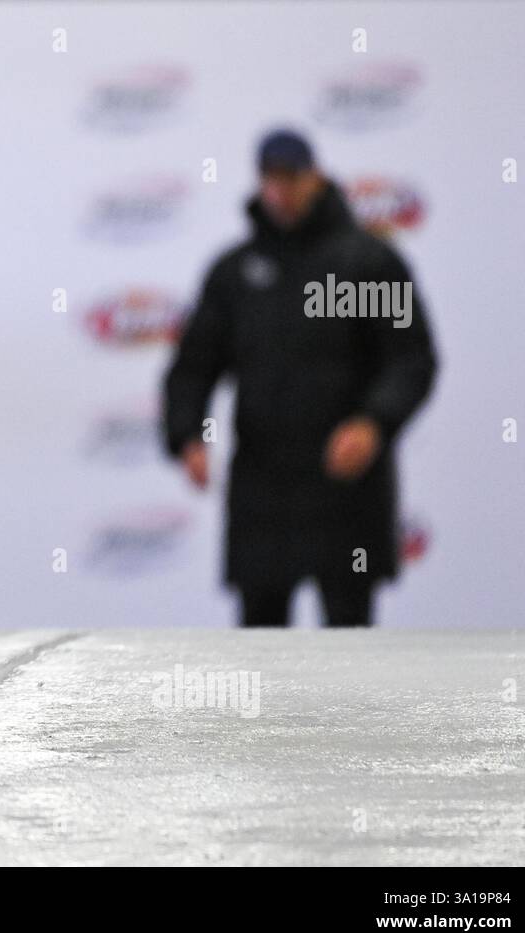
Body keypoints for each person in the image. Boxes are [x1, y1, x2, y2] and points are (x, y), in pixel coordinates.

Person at [162, 129, 438, 627]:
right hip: (262, 487)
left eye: (290, 178)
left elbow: (411, 360)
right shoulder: (237, 272)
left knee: (348, 640)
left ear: (317, 179)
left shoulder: (368, 265)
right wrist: (187, 435)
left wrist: (373, 423)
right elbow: (193, 366)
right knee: (261, 649)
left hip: (347, 483)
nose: (279, 191)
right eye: (269, 178)